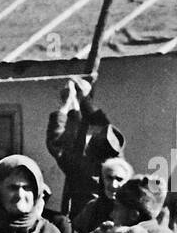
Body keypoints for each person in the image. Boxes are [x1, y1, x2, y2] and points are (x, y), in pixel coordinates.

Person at [45, 75, 126, 219]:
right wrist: (84, 100)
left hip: (84, 220)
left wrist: (65, 105)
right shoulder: (118, 165)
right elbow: (106, 130)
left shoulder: (80, 167)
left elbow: (55, 142)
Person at [73, 156, 133, 233]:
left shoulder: (131, 211)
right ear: (103, 179)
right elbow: (76, 231)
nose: (113, 185)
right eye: (109, 178)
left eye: (119, 179)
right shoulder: (92, 207)